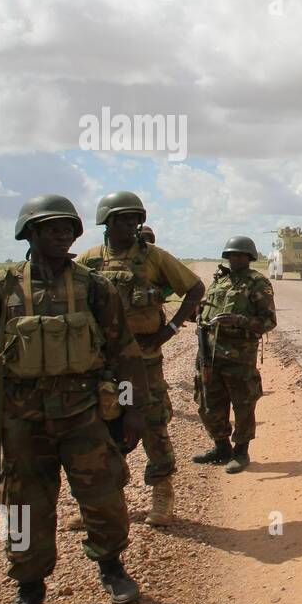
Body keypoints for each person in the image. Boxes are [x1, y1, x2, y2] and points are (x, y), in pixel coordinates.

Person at [0, 194, 149, 604]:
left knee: (103, 496)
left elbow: (124, 352)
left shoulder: (94, 288)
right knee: (24, 507)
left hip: (83, 415)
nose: (63, 236)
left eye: (69, 230)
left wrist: (133, 409)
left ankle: (112, 568)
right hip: (21, 422)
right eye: (52, 229)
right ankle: (29, 588)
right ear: (29, 233)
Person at [77, 191, 204, 525]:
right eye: (123, 218)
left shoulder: (154, 258)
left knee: (152, 425)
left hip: (144, 362)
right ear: (106, 222)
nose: (132, 224)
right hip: (102, 365)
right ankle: (104, 503)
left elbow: (195, 288)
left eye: (136, 218)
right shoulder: (89, 262)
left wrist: (171, 329)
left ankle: (162, 495)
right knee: (100, 429)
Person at [192, 236, 277, 474]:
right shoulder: (220, 281)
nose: (235, 259)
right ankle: (221, 447)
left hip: (239, 358)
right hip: (209, 354)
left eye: (240, 255)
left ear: (249, 258)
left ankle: (241, 452)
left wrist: (239, 321)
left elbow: (269, 321)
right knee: (209, 403)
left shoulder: (258, 283)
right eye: (231, 255)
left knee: (243, 404)